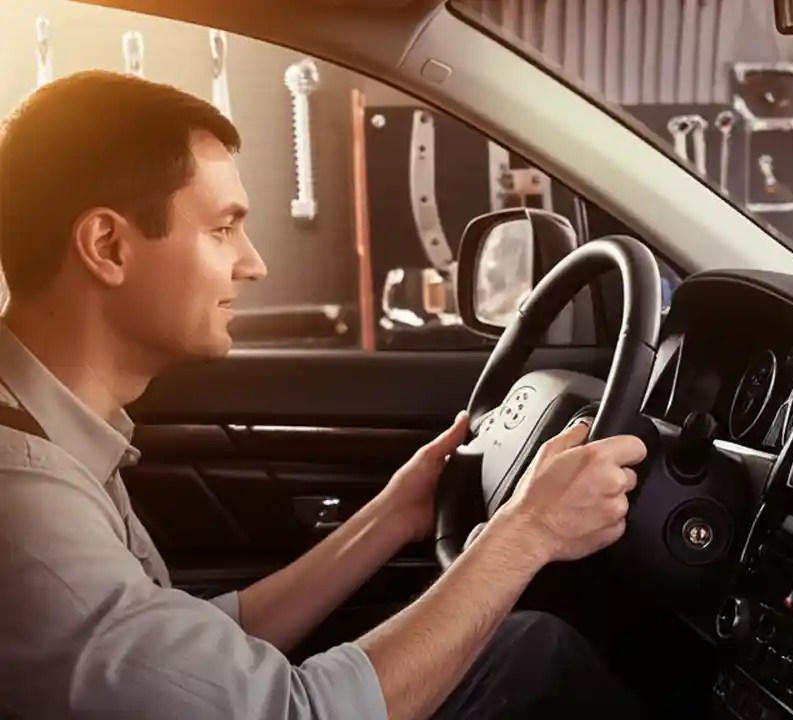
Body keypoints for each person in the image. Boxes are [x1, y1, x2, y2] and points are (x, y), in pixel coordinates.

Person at [0, 70, 648, 720]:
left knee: (524, 647)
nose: (253, 264)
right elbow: (296, 713)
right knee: (536, 659)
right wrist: (528, 531)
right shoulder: (25, 505)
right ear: (107, 246)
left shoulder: (60, 438)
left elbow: (193, 662)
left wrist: (391, 515)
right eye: (222, 229)